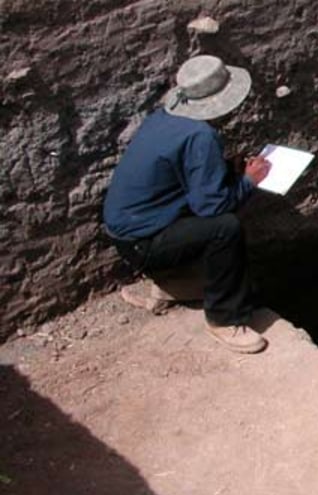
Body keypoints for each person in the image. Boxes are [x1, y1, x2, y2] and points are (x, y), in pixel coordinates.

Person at [103, 55, 271, 354]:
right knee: (225, 228)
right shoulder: (200, 135)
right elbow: (212, 207)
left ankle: (174, 284)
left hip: (128, 232)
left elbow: (184, 178)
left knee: (234, 262)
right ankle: (225, 319)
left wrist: (224, 170)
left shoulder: (164, 119)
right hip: (144, 243)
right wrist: (248, 181)